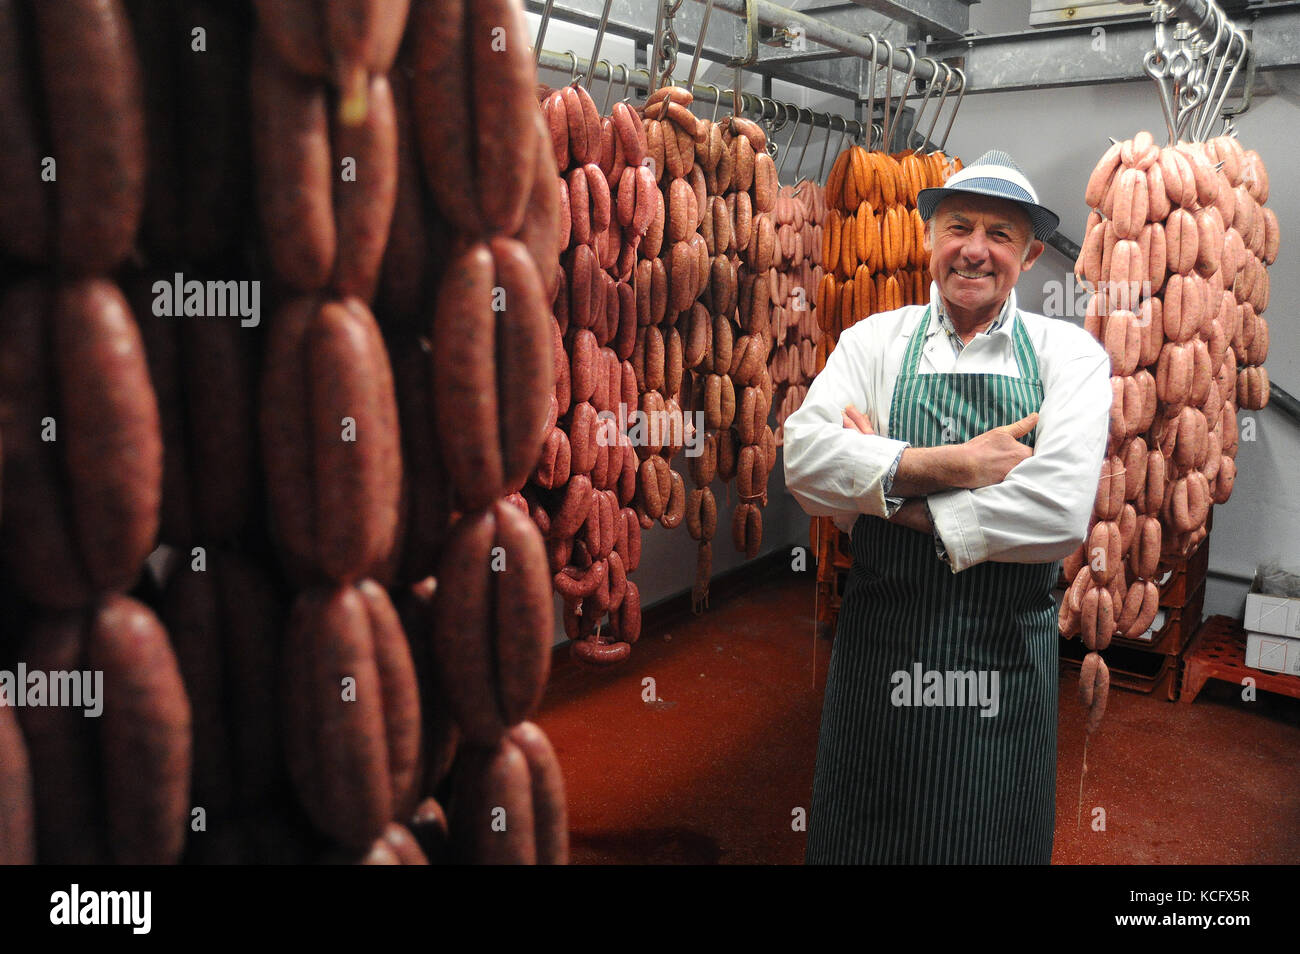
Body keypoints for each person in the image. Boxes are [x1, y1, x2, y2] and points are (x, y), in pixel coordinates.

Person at [783, 150, 1112, 864]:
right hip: (880, 652)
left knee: (984, 841)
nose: (974, 249)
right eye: (957, 226)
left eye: (1000, 234)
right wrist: (955, 466)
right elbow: (805, 463)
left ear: (1026, 255)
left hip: (1001, 663)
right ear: (930, 238)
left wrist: (888, 491)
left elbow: (1056, 512)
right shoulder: (873, 341)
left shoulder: (1071, 358)